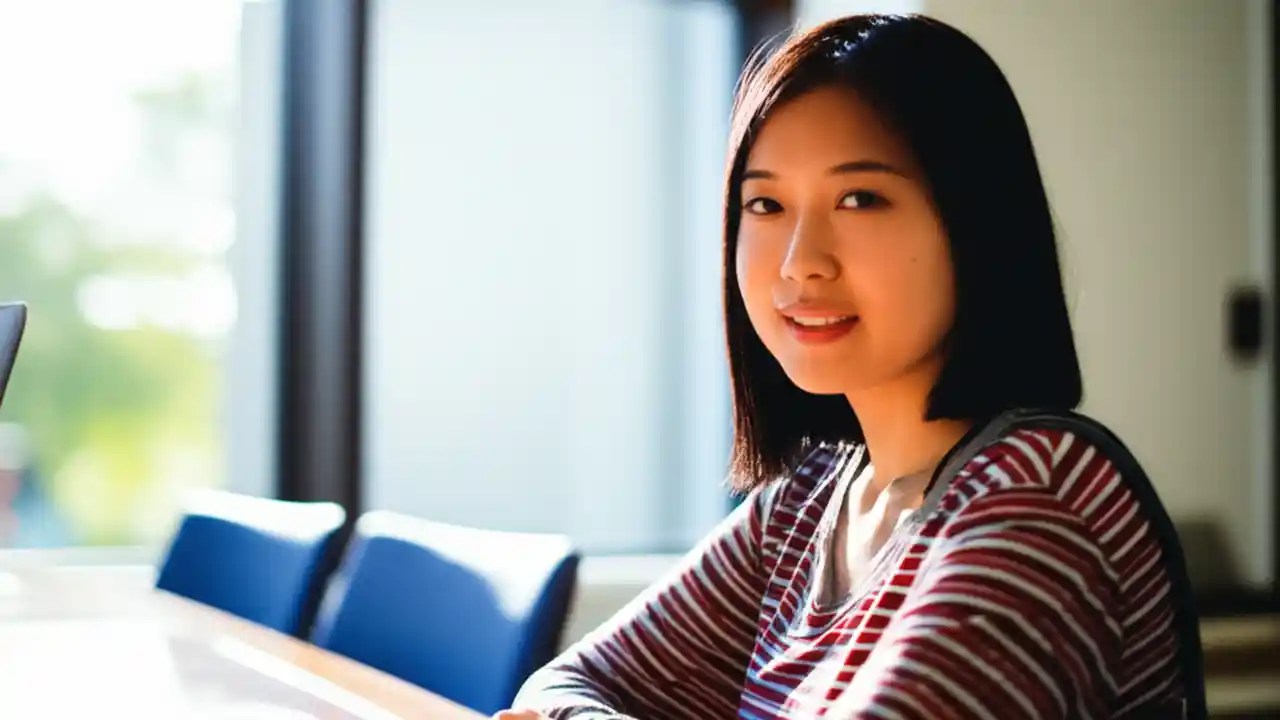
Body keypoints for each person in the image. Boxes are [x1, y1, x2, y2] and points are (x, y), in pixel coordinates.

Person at [499, 13, 1192, 719]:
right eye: (765, 204)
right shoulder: (811, 497)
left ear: (976, 224)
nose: (800, 262)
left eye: (861, 199)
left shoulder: (1039, 500)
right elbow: (564, 688)